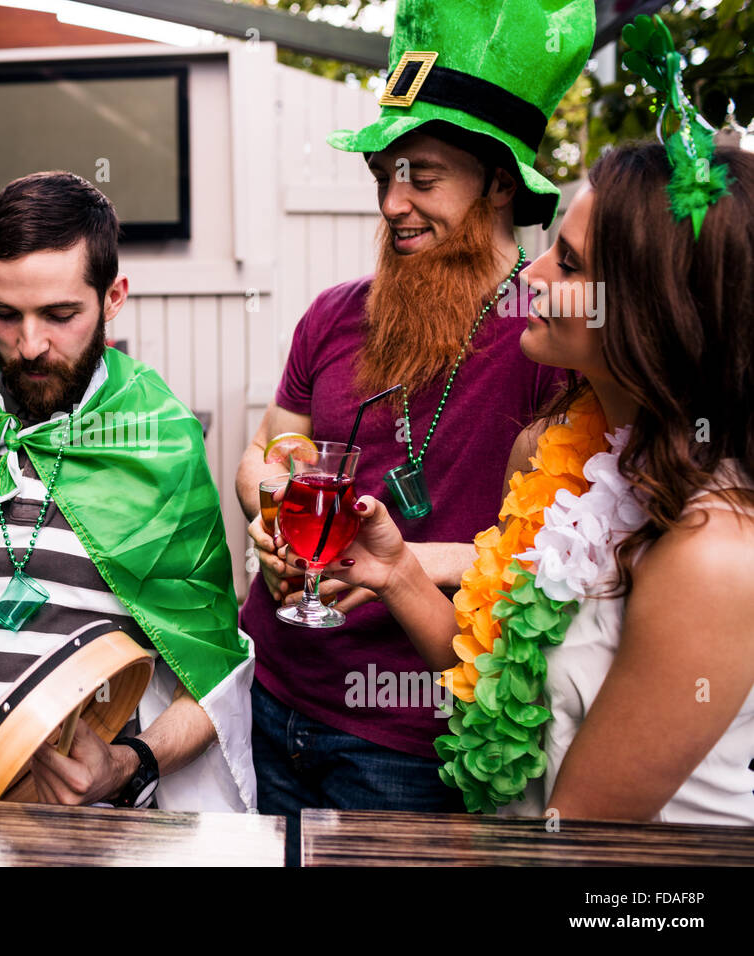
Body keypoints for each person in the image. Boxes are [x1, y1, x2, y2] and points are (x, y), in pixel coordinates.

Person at [235, 0, 595, 858]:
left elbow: (561, 560)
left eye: (422, 178)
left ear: (500, 183)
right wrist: (278, 512)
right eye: (384, 176)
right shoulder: (334, 313)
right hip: (272, 694)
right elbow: (266, 448)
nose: (392, 203)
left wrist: (394, 562)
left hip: (408, 737)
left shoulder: (556, 338)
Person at [325, 135, 754, 824]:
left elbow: (579, 832)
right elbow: (498, 676)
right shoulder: (550, 458)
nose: (533, 274)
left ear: (657, 307)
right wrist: (396, 572)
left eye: (572, 264)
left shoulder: (711, 550)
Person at [0, 172, 255, 811]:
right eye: (4, 315)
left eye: (60, 315)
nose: (29, 346)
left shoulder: (158, 447)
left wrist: (127, 766)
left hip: (83, 824)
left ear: (113, 298)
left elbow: (211, 676)